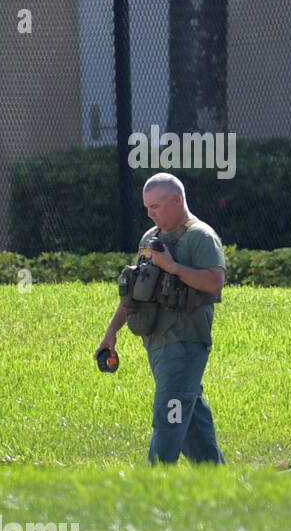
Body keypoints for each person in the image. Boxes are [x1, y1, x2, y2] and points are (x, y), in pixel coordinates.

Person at [97, 173, 228, 464]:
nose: (149, 213)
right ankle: (227, 495)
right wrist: (111, 331)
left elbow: (215, 282)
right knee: (194, 427)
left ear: (177, 201)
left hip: (185, 344)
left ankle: (151, 495)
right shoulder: (150, 238)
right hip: (156, 344)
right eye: (147, 207)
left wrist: (173, 266)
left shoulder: (201, 237)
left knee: (168, 417)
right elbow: (135, 291)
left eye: (155, 206)